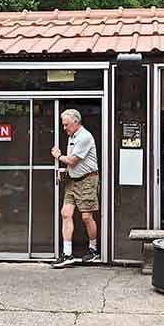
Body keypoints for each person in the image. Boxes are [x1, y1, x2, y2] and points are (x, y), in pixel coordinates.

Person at [51, 108, 99, 267]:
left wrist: (58, 155)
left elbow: (72, 160)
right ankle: (67, 254)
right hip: (73, 181)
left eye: (66, 125)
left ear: (76, 122)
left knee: (86, 217)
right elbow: (73, 165)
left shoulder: (84, 137)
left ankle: (93, 250)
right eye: (63, 125)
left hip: (86, 181)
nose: (64, 128)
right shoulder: (72, 136)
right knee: (65, 213)